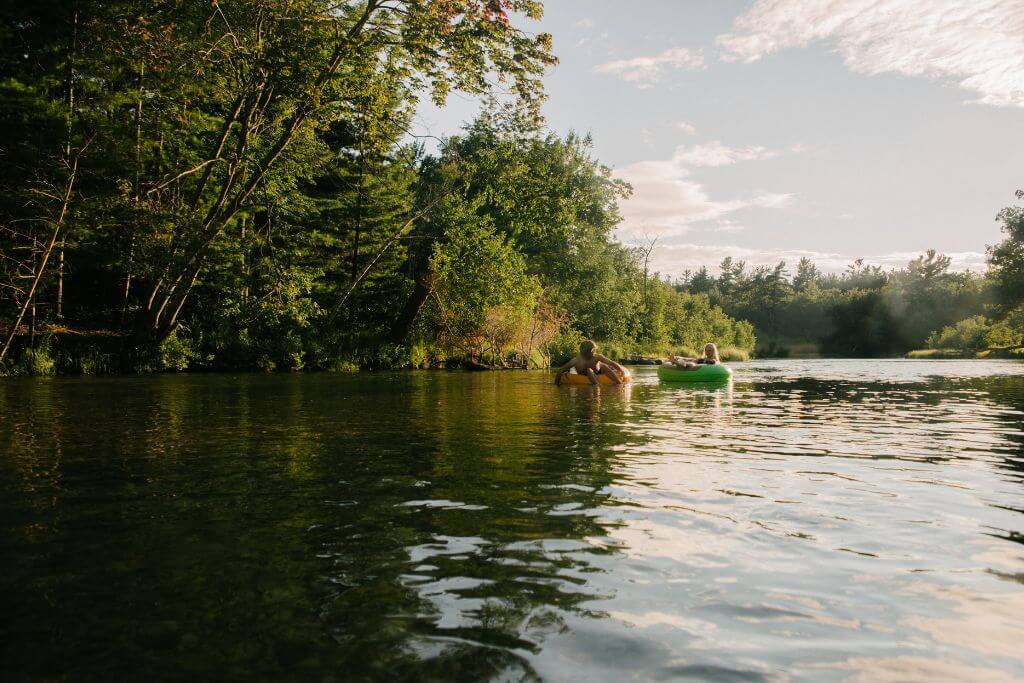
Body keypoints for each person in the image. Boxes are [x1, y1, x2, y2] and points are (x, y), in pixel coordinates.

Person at [554, 340, 629, 385]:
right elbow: (561, 370)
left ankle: (619, 383)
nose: (594, 352)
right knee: (589, 370)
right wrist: (556, 383)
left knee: (604, 366)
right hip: (585, 374)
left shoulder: (597, 357)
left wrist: (621, 370)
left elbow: (611, 363)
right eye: (593, 351)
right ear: (587, 351)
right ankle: (596, 385)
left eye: (594, 350)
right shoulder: (576, 360)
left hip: (598, 371)